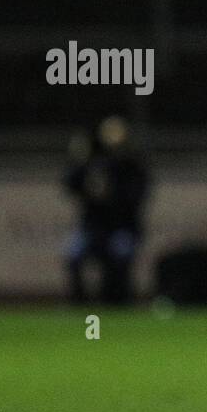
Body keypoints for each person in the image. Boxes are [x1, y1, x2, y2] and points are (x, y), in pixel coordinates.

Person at [63, 115, 150, 304]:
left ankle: (118, 300)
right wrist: (78, 162)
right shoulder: (92, 163)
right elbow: (70, 186)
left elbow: (138, 195)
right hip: (93, 228)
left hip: (122, 227)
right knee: (73, 256)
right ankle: (80, 303)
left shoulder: (132, 165)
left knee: (119, 257)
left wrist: (113, 196)